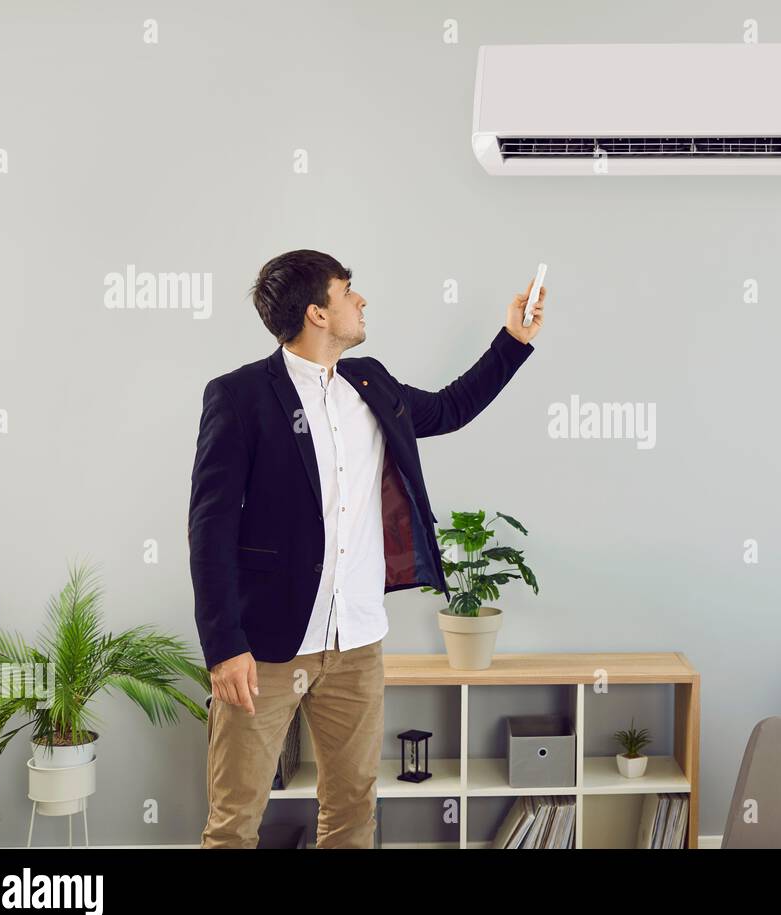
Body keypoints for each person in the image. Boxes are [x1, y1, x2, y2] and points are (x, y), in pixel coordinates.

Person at [189, 249, 544, 847]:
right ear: (316, 314)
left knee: (353, 812)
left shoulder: (369, 382)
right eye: (348, 291)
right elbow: (210, 528)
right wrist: (225, 648)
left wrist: (512, 340)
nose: (361, 301)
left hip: (356, 643)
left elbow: (450, 409)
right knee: (234, 822)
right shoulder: (240, 397)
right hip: (267, 651)